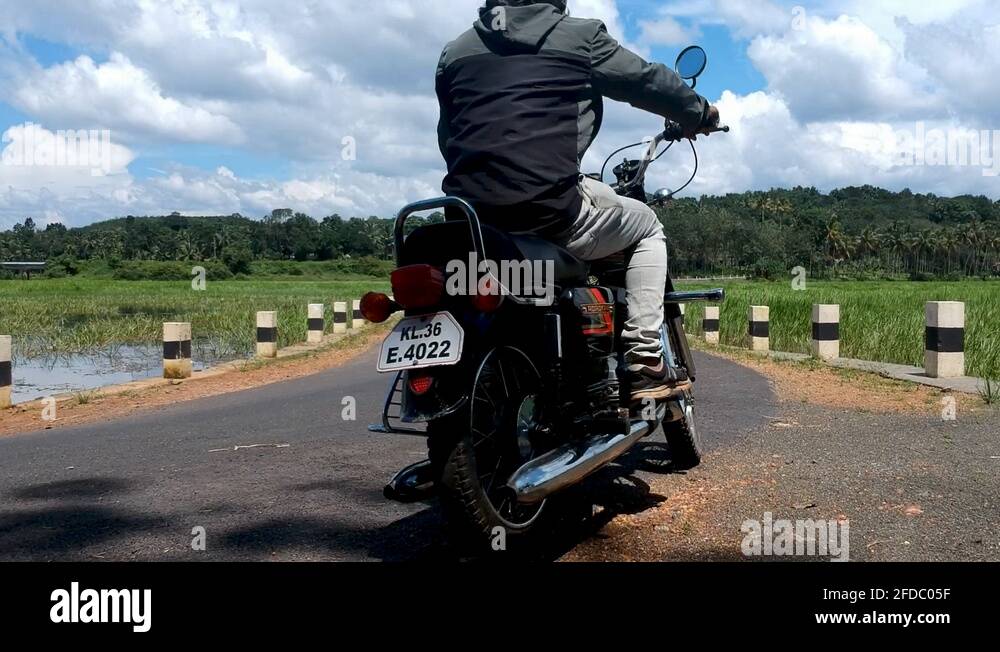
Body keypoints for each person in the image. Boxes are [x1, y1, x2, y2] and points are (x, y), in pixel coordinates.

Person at [435, 0, 720, 401]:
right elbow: (644, 80)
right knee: (648, 227)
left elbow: (449, 139)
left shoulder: (456, 51)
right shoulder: (579, 37)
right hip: (550, 212)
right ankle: (643, 357)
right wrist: (698, 112)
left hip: (471, 221)